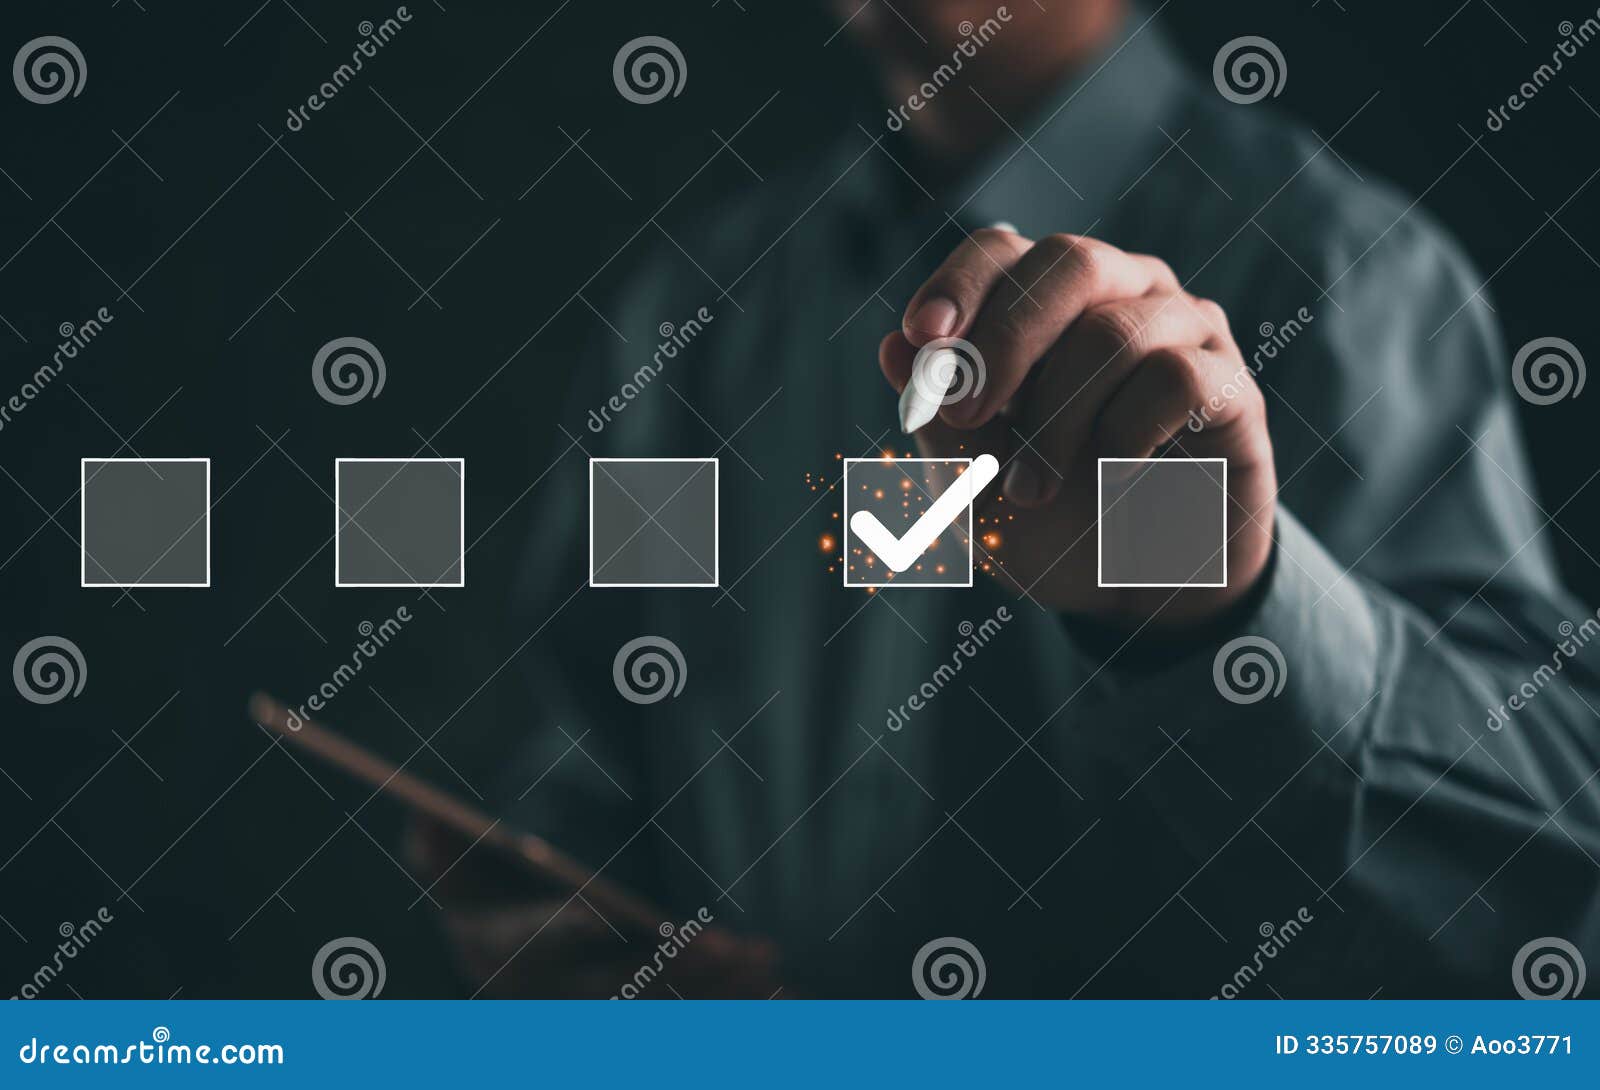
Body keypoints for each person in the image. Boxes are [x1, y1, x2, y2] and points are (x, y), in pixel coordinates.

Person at [411, 0, 1600, 997]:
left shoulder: (1343, 266)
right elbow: (591, 746)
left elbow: (1549, 849)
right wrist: (566, 931)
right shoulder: (690, 318)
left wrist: (1234, 609)